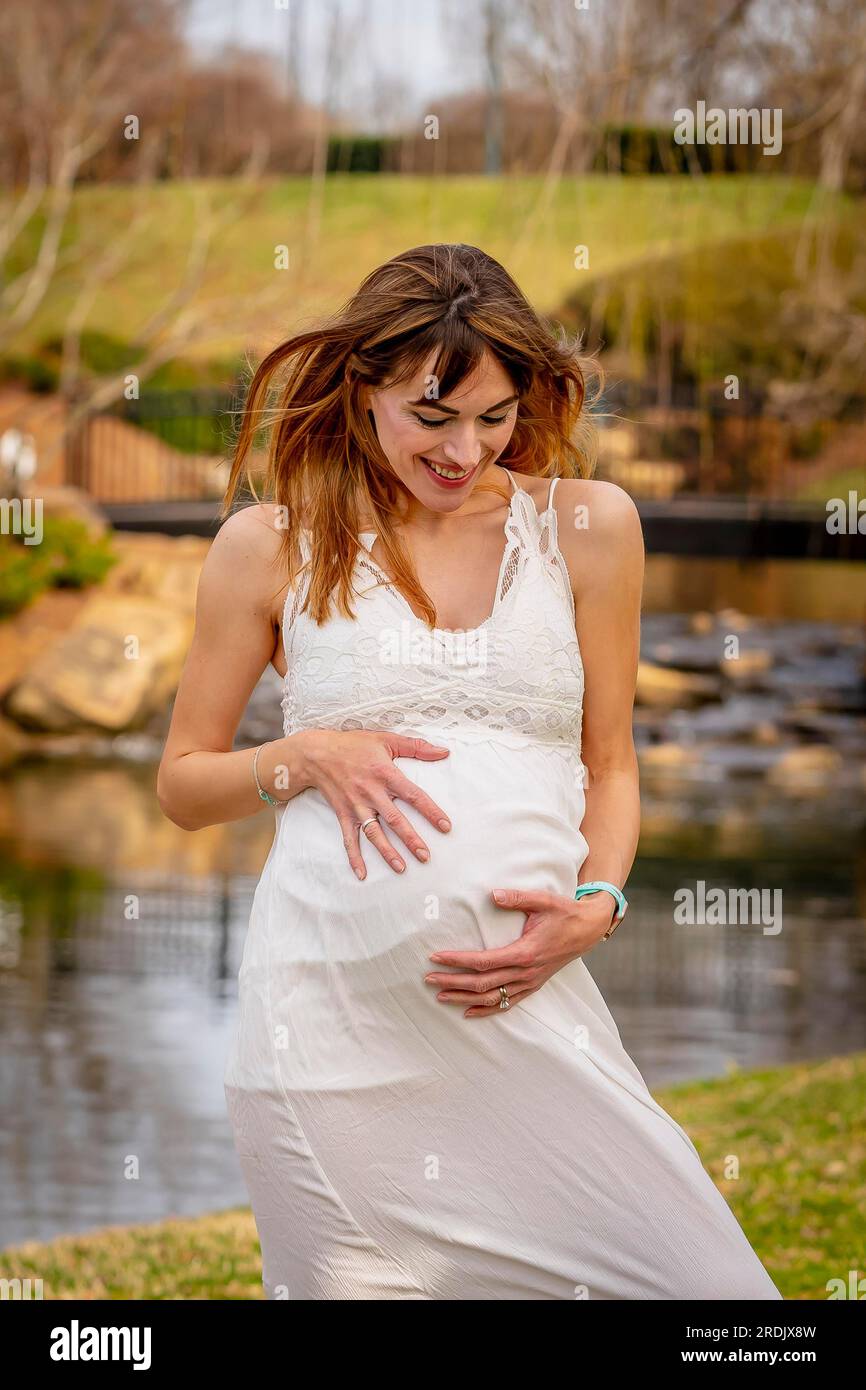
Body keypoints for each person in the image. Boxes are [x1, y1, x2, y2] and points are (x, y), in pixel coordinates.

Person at [157, 243, 782, 1301]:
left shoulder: (587, 527)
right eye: (431, 418)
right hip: (325, 1033)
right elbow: (181, 784)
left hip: (525, 1015)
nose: (464, 450)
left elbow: (610, 765)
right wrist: (301, 755)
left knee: (715, 1297)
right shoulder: (268, 545)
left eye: (491, 417)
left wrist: (598, 900)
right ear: (362, 391)